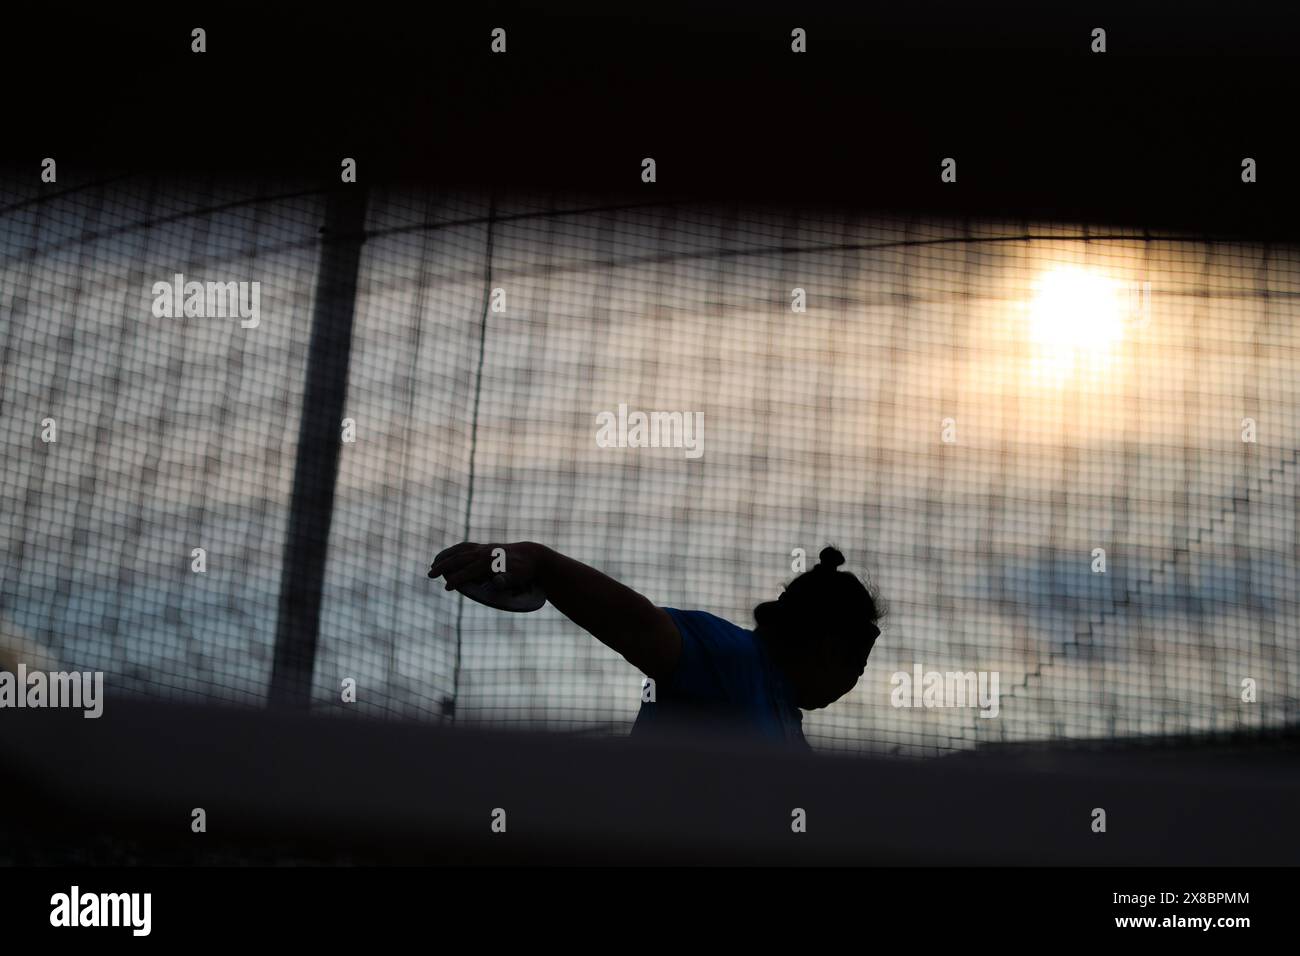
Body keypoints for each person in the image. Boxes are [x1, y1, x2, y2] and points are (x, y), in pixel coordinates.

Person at [429, 543, 883, 748]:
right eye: (858, 660)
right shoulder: (733, 659)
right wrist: (540, 562)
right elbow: (636, 626)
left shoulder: (787, 725)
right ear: (827, 645)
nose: (858, 676)